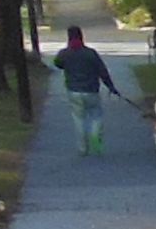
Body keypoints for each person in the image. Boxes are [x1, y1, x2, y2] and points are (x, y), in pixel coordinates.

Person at [50, 25, 128, 155]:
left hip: (73, 90)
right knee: (96, 116)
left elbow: (57, 64)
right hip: (91, 90)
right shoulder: (90, 53)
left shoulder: (64, 53)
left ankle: (82, 148)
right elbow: (102, 71)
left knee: (78, 119)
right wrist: (111, 87)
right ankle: (95, 139)